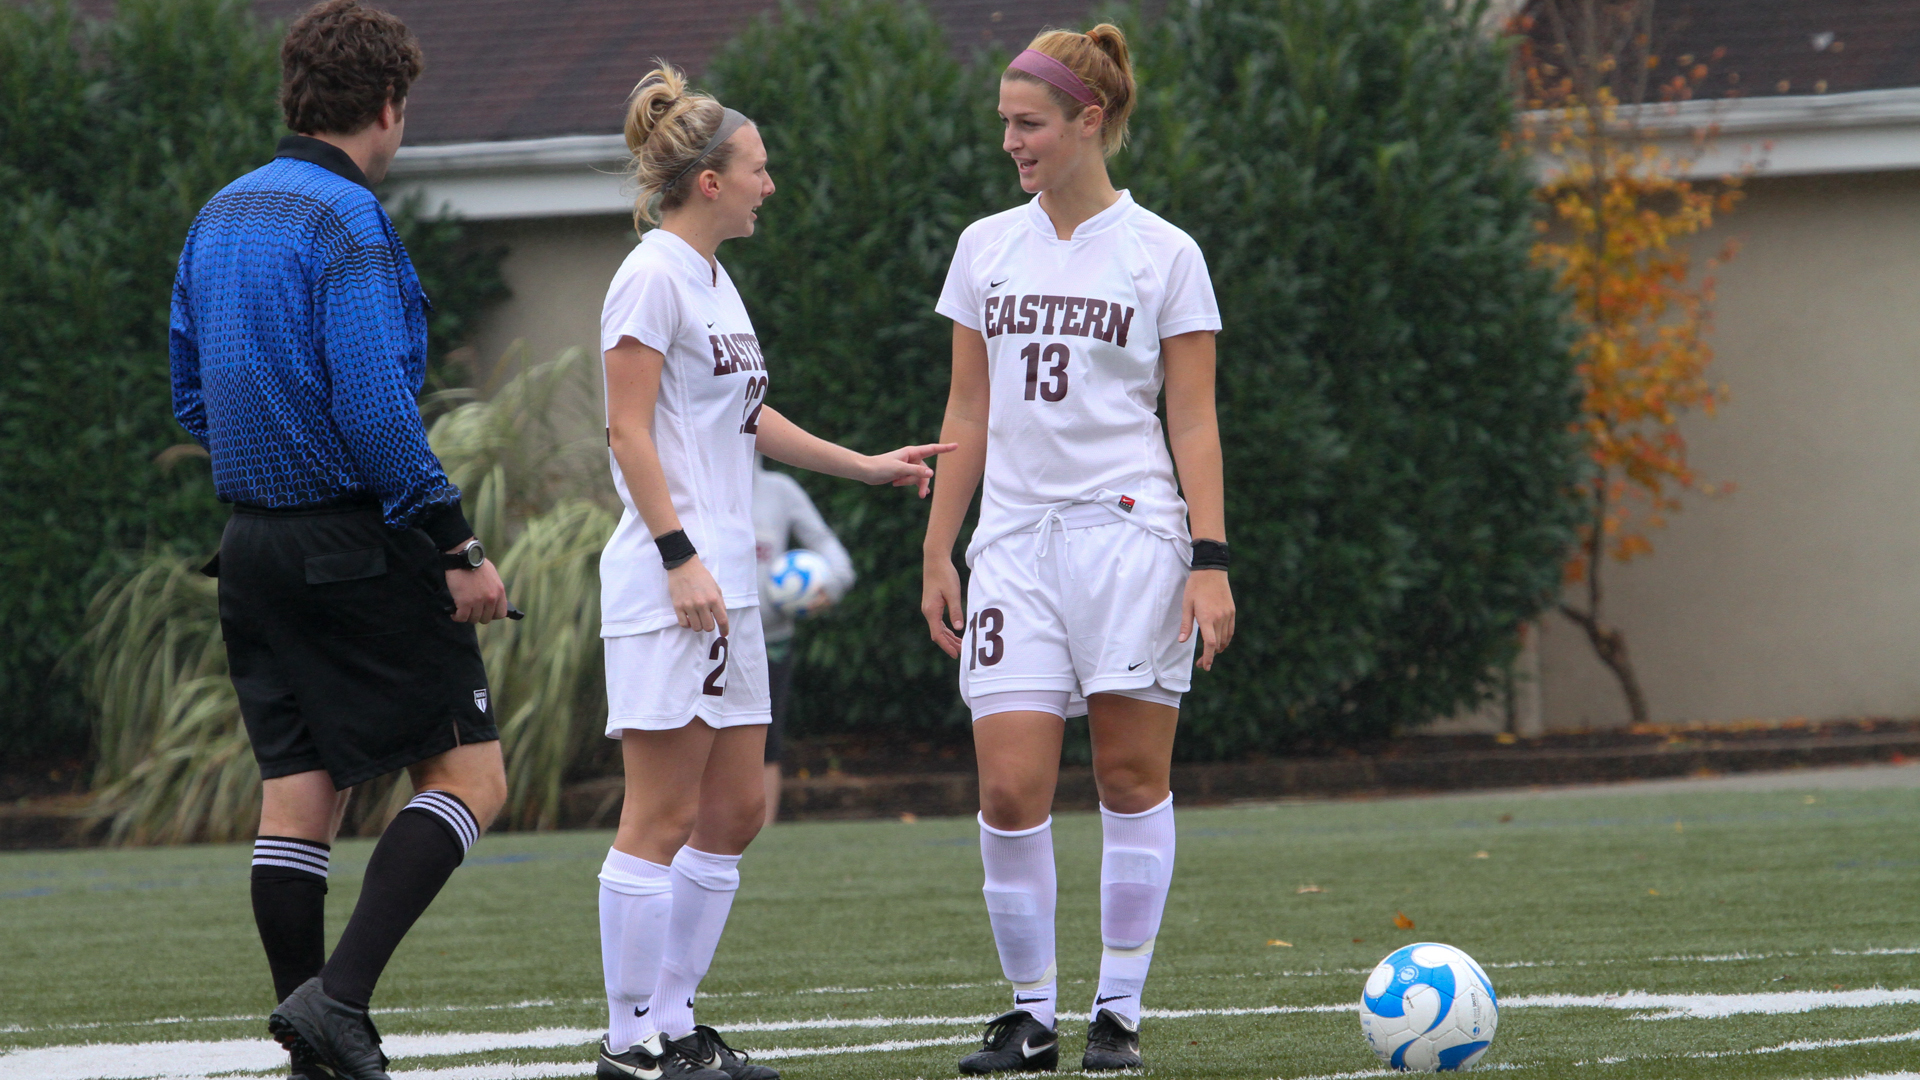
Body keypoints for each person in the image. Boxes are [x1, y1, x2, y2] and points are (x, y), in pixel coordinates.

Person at [168, 3, 510, 1079]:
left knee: (300, 790)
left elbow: (191, 400)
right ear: (389, 105)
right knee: (471, 774)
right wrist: (458, 547)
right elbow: (375, 413)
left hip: (250, 550)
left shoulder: (216, 217)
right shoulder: (345, 223)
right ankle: (340, 1004)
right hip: (353, 543)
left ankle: (303, 1035)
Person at [593, 63, 953, 1080]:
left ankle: (675, 1019)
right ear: (708, 179)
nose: (771, 183)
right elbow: (627, 433)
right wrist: (678, 556)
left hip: (730, 589)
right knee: (660, 815)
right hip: (675, 586)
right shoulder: (651, 273)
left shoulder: (714, 277)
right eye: (759, 167)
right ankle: (628, 1044)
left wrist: (866, 465)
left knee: (737, 810)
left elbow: (744, 418)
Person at [919, 23, 1235, 1075]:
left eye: (1030, 123)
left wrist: (1210, 555)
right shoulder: (985, 247)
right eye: (1006, 123)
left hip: (1133, 540)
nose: (1012, 141)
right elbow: (967, 407)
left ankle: (1118, 1015)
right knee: (1009, 788)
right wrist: (939, 550)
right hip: (1012, 547)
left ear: (1089, 121)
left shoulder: (1166, 254)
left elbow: (1193, 420)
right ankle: (1030, 1015)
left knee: (1130, 777)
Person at [753, 455, 857, 824]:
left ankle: (762, 837)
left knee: (764, 742)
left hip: (771, 641)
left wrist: (832, 584)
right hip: (703, 637)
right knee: (700, 740)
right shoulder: (691, 488)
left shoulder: (779, 490)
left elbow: (829, 548)